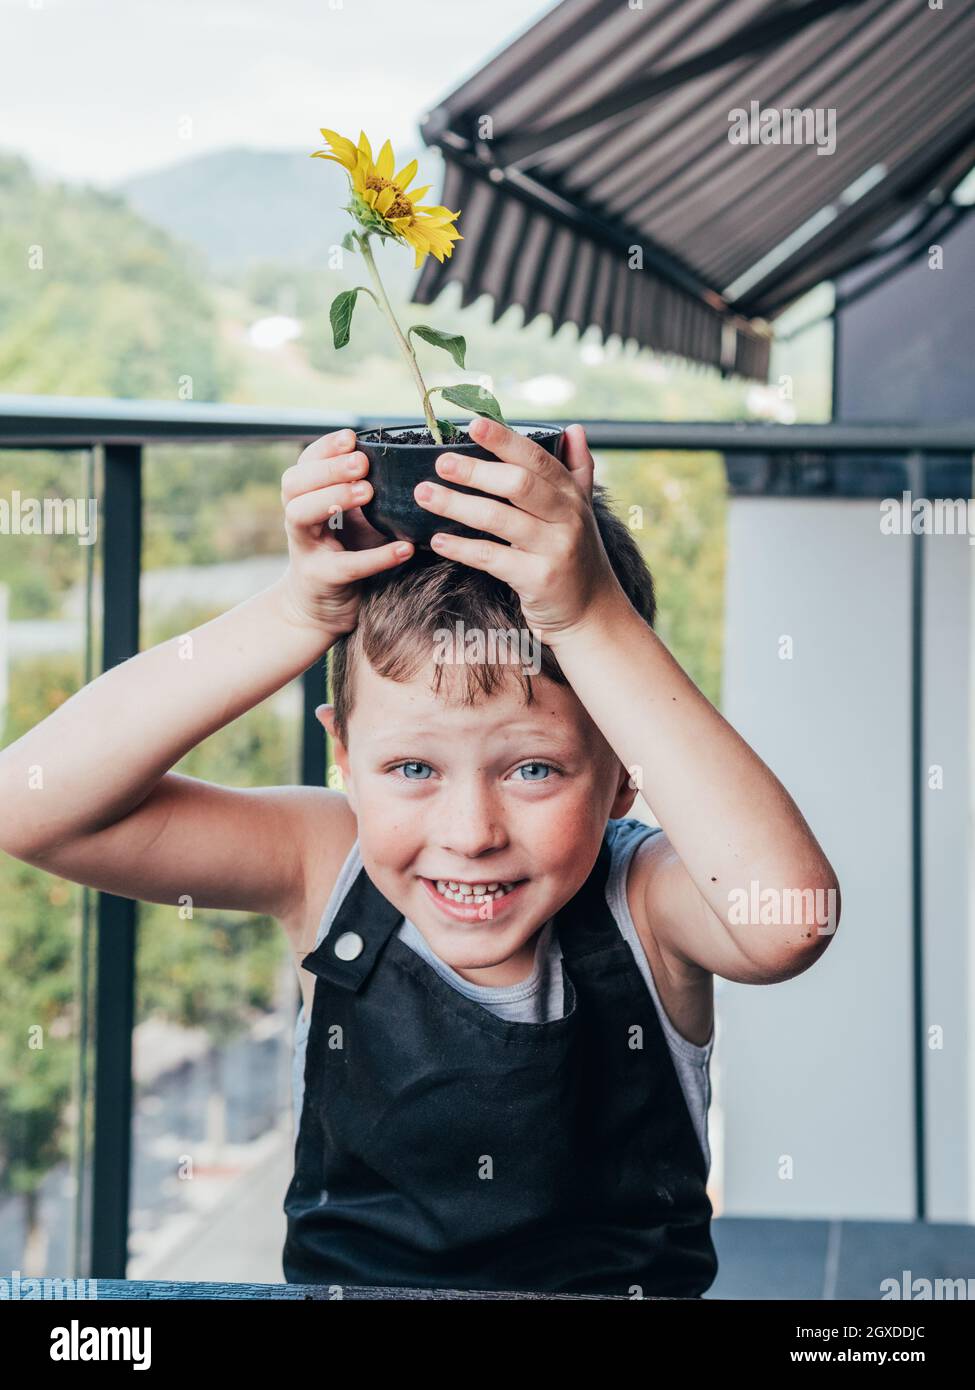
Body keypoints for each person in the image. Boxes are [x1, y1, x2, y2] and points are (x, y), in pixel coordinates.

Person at [0, 417, 840, 1298]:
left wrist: (588, 616)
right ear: (343, 757)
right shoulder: (324, 862)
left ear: (626, 774)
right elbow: (32, 805)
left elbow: (787, 924)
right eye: (410, 768)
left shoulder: (647, 902)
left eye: (533, 768)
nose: (470, 831)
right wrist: (294, 611)